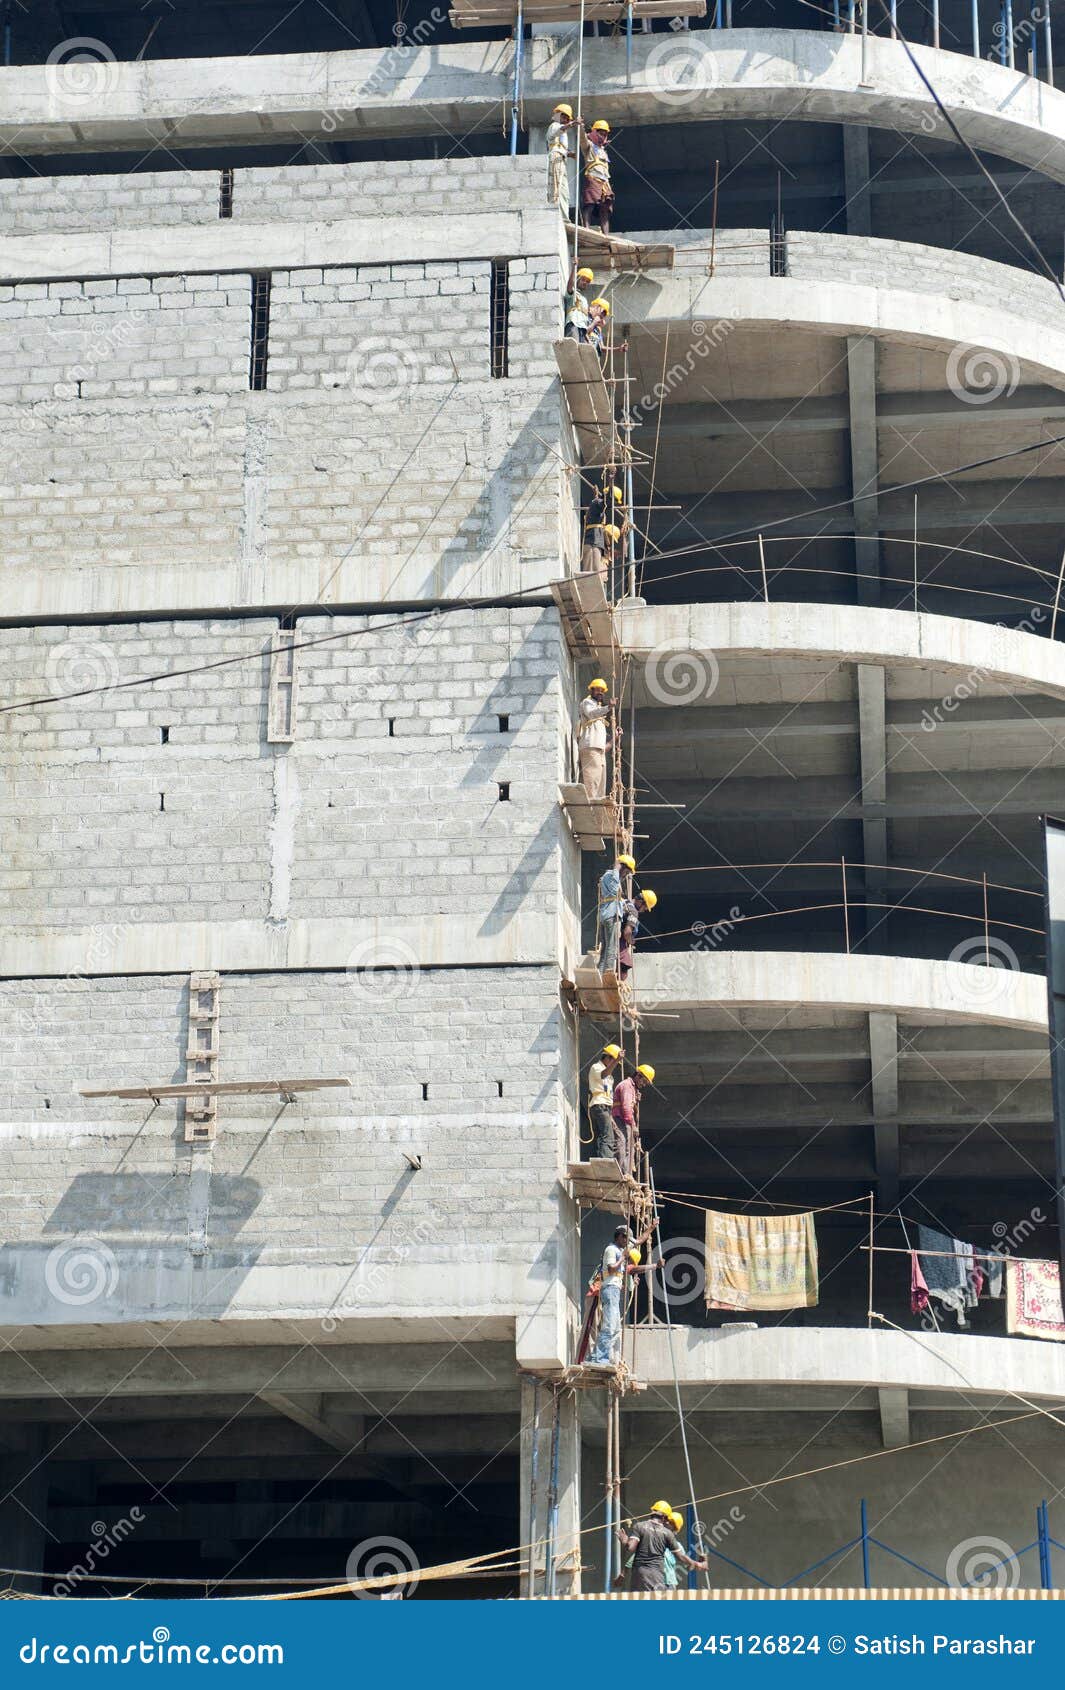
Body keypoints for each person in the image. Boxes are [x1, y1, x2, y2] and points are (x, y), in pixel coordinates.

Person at [587, 1222, 651, 1367]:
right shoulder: (611, 1249)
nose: (628, 1243)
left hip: (614, 1290)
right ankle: (597, 1358)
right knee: (609, 1326)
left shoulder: (621, 1248)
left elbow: (639, 1240)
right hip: (609, 1289)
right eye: (626, 1239)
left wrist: (651, 1228)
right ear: (620, 1237)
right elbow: (611, 1269)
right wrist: (622, 1257)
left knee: (615, 1328)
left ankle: (601, 1358)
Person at [618, 1501, 707, 1592]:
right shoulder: (667, 1534)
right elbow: (682, 1557)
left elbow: (630, 1548)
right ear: (664, 1518)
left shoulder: (639, 1526)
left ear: (652, 1512)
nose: (667, 1523)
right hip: (656, 1577)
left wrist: (625, 1540)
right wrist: (699, 1564)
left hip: (639, 1575)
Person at [610, 1060, 654, 1176]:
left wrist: (636, 1100)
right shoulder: (627, 1086)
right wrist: (633, 1126)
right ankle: (620, 1176)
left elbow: (629, 1106)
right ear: (638, 1076)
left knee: (629, 1149)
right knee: (621, 1147)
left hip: (624, 1120)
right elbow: (625, 1108)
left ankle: (627, 1175)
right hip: (619, 1119)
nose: (643, 1085)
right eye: (644, 1081)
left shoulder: (632, 1089)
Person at [598, 852, 635, 975]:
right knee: (611, 948)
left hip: (607, 914)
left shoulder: (612, 877)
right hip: (611, 915)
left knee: (605, 949)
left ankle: (601, 974)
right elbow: (614, 891)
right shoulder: (611, 875)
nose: (626, 875)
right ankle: (608, 974)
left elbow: (614, 896)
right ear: (622, 866)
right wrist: (616, 868)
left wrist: (624, 904)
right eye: (627, 871)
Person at [577, 677, 613, 800]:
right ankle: (591, 805)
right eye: (598, 690)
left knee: (600, 782)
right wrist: (609, 707)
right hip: (590, 747)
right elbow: (591, 713)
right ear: (591, 690)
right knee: (593, 781)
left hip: (598, 750)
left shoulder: (600, 719)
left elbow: (604, 747)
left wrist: (615, 738)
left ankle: (597, 806)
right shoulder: (587, 703)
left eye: (602, 691)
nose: (600, 693)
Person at [587, 1042, 621, 1160]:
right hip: (599, 1105)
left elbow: (608, 1097)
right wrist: (617, 1060)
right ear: (607, 1057)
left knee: (605, 1135)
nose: (615, 1065)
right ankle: (606, 1161)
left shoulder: (609, 1075)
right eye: (613, 1062)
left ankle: (603, 1159)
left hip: (605, 1106)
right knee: (608, 1136)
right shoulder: (597, 1067)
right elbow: (603, 1075)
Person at [580, 118, 614, 234]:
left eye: (605, 135)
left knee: (605, 209)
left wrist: (603, 145)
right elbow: (582, 139)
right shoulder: (588, 146)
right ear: (594, 133)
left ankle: (606, 235)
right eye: (600, 134)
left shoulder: (603, 150)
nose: (602, 137)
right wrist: (581, 127)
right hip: (593, 177)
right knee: (589, 204)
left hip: (605, 182)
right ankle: (587, 230)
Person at [581, 481, 623, 574]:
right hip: (594, 541)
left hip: (593, 540)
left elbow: (598, 509)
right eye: (615, 500)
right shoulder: (599, 504)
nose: (614, 503)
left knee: (592, 569)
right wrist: (611, 478)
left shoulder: (596, 504)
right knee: (592, 570)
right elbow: (607, 502)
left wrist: (596, 494)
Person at [618, 887, 658, 982]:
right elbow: (627, 933)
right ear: (640, 901)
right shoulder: (633, 912)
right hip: (619, 943)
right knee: (624, 965)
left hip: (613, 938)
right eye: (645, 907)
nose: (644, 910)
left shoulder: (625, 902)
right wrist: (630, 940)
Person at [546, 102, 575, 210]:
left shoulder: (563, 130)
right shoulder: (555, 125)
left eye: (568, 119)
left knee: (563, 189)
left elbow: (561, 146)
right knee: (556, 185)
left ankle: (563, 214)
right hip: (556, 157)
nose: (567, 120)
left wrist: (569, 154)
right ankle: (554, 209)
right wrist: (572, 124)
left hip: (561, 158)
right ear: (559, 115)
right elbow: (557, 132)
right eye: (565, 117)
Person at [563, 264, 595, 341]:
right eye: (583, 279)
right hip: (573, 324)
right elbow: (569, 286)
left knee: (579, 351)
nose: (585, 283)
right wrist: (574, 267)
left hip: (582, 329)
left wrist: (588, 340)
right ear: (578, 279)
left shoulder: (584, 300)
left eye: (587, 282)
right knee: (573, 346)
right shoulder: (574, 293)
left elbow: (585, 321)